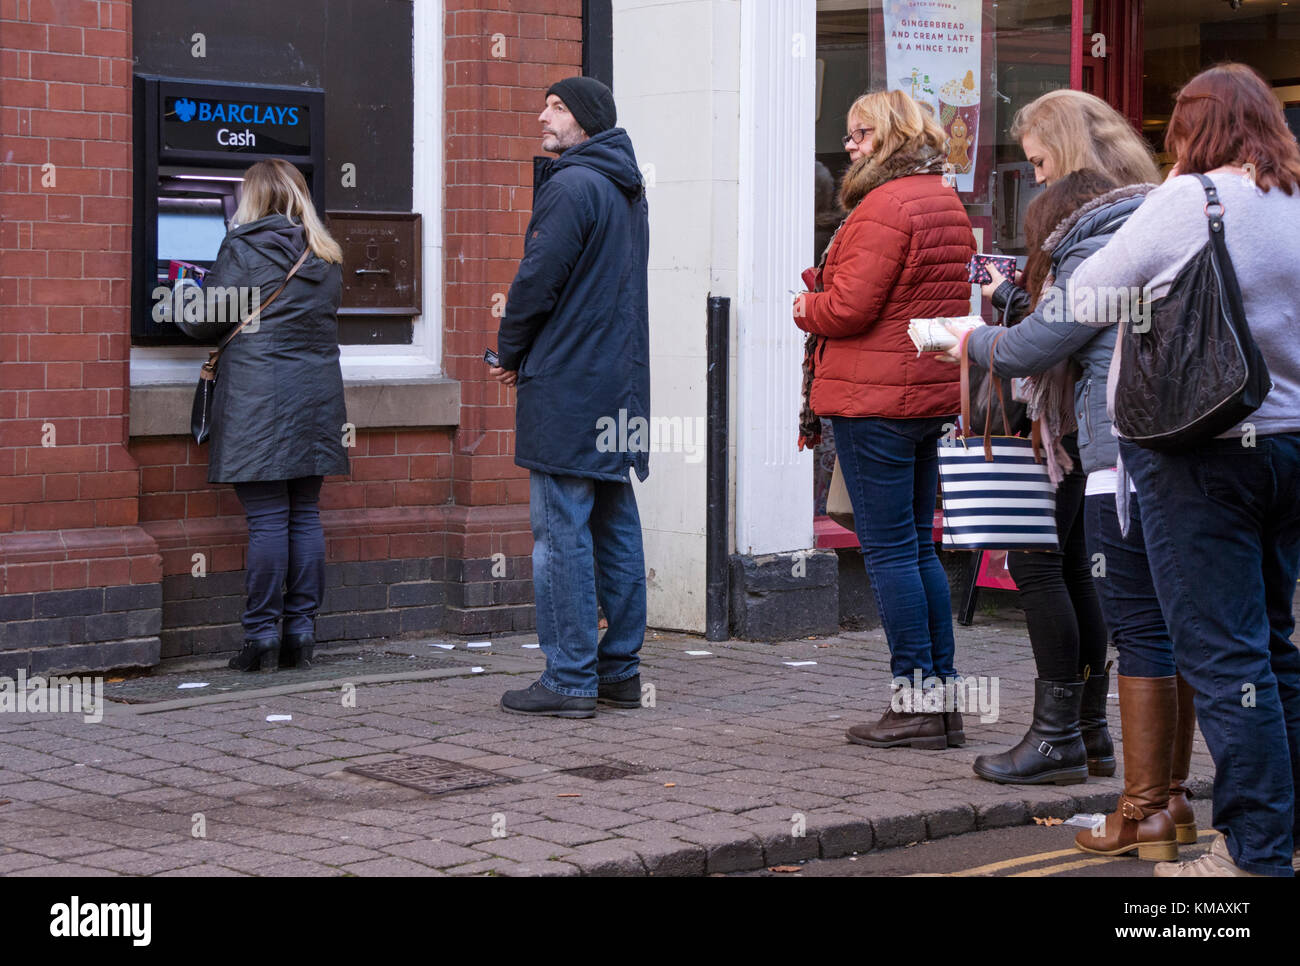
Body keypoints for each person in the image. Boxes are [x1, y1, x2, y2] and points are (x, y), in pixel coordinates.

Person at [1070, 63, 1300, 877]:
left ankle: (1255, 856)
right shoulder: (1296, 200)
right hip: (1290, 448)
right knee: (1274, 650)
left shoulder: (1187, 200)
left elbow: (1087, 298)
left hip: (1199, 454)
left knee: (1227, 657)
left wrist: (1176, 188)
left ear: (1192, 130)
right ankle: (1288, 837)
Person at [794, 89, 975, 748]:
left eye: (860, 133)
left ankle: (916, 702)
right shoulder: (942, 198)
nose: (849, 145)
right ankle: (944, 699)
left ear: (890, 136)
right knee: (920, 547)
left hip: (876, 399)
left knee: (892, 552)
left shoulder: (884, 205)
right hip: (926, 393)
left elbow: (849, 310)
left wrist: (802, 305)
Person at [489, 77, 650, 719]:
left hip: (569, 384)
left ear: (584, 119)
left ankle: (569, 678)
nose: (541, 116)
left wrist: (510, 351)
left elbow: (536, 283)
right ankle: (620, 672)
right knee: (615, 525)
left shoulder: (571, 185)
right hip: (619, 384)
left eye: (555, 107)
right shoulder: (626, 187)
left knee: (561, 532)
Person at [174, 158, 348, 672]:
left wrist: (184, 291)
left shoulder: (243, 246)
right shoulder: (327, 253)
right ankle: (300, 635)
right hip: (316, 401)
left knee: (269, 520)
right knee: (305, 516)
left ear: (252, 198)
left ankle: (260, 640)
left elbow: (206, 322)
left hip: (258, 401)